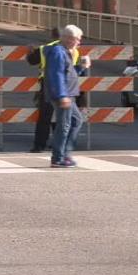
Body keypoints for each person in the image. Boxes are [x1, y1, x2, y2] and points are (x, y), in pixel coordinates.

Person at [44, 25, 88, 168]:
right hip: (64, 94)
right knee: (64, 125)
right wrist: (62, 95)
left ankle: (65, 154)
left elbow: (68, 73)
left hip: (69, 93)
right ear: (69, 39)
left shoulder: (64, 51)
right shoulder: (58, 52)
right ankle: (58, 158)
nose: (79, 42)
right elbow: (56, 75)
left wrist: (81, 67)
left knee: (76, 121)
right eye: (77, 39)